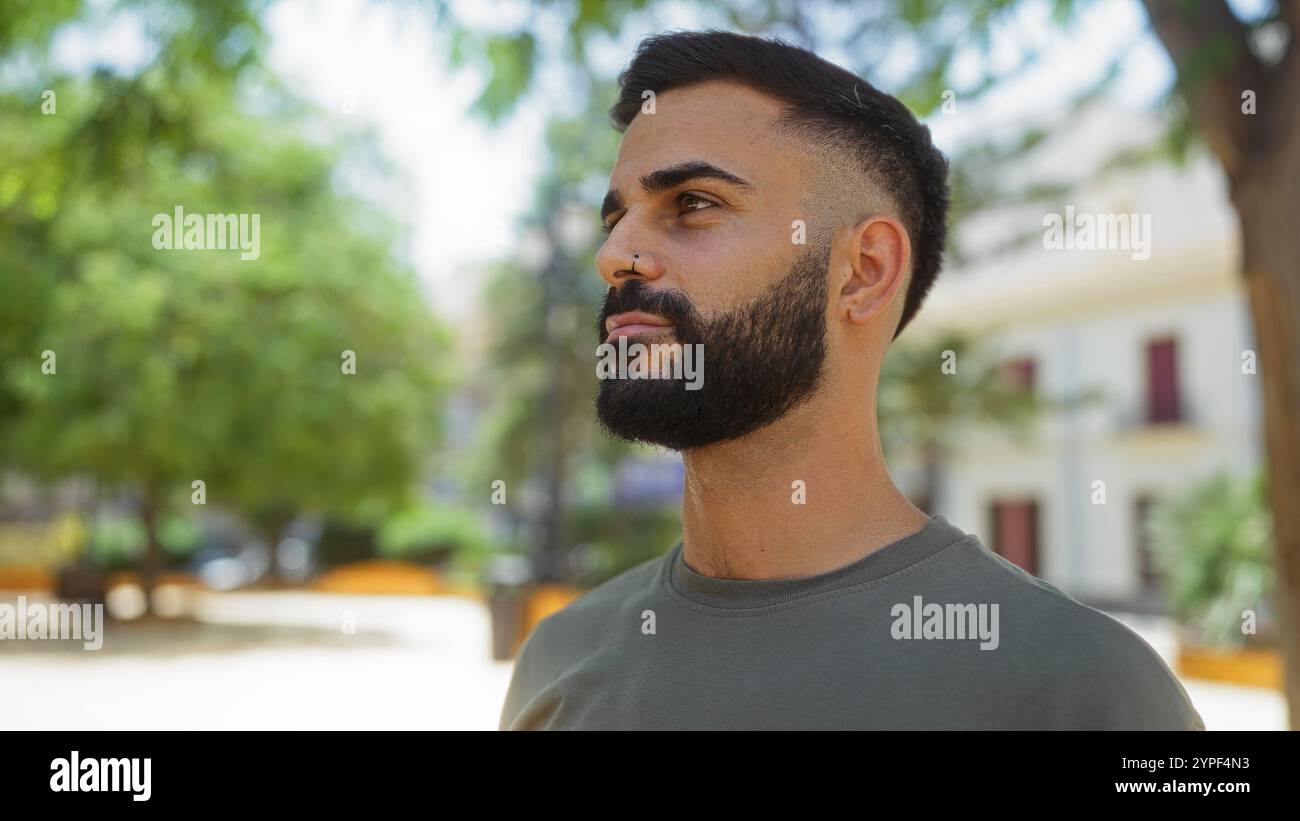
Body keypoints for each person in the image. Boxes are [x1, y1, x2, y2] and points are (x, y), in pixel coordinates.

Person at [499, 29, 1204, 730]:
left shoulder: (1088, 691)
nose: (614, 254)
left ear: (864, 271)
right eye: (617, 216)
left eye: (692, 203)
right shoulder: (557, 660)